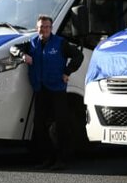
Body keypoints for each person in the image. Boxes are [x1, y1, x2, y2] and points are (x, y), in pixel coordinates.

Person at [10, 14, 83, 170]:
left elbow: (79, 55)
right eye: (41, 27)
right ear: (37, 28)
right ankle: (46, 159)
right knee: (39, 125)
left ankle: (62, 159)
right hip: (40, 89)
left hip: (57, 90)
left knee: (60, 125)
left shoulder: (60, 43)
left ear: (51, 28)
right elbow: (13, 48)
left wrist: (67, 72)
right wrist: (23, 55)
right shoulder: (32, 43)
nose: (44, 29)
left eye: (47, 27)